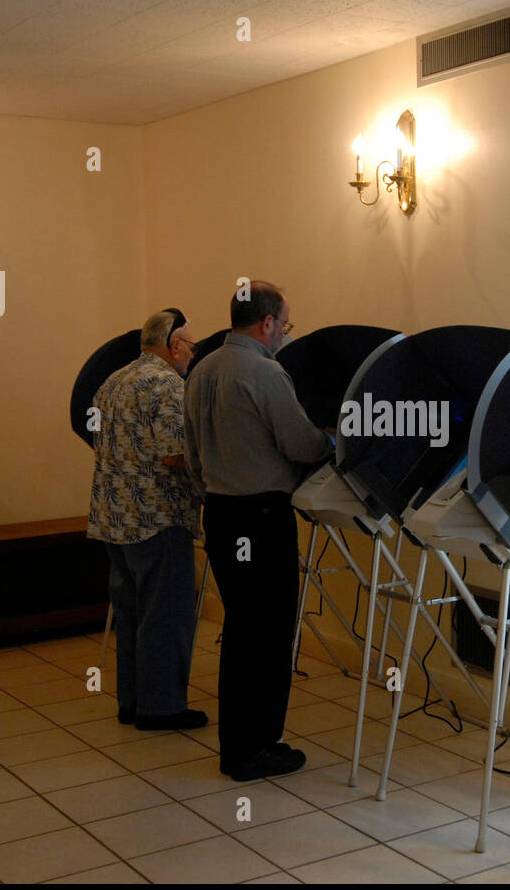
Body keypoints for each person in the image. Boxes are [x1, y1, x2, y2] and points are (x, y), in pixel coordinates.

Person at [183, 281, 333, 780]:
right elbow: (299, 443)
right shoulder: (265, 372)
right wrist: (334, 440)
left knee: (242, 629)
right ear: (267, 323)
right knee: (268, 634)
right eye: (285, 324)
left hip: (221, 515)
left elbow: (191, 454)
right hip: (262, 517)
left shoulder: (202, 369)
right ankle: (258, 747)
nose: (284, 334)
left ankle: (237, 745)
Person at [88, 308, 207, 731]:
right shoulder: (167, 385)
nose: (193, 356)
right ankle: (162, 708)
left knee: (131, 614)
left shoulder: (113, 381)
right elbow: (174, 454)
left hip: (113, 516)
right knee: (166, 615)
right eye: (191, 347)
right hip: (158, 517)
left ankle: (132, 702)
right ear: (174, 345)